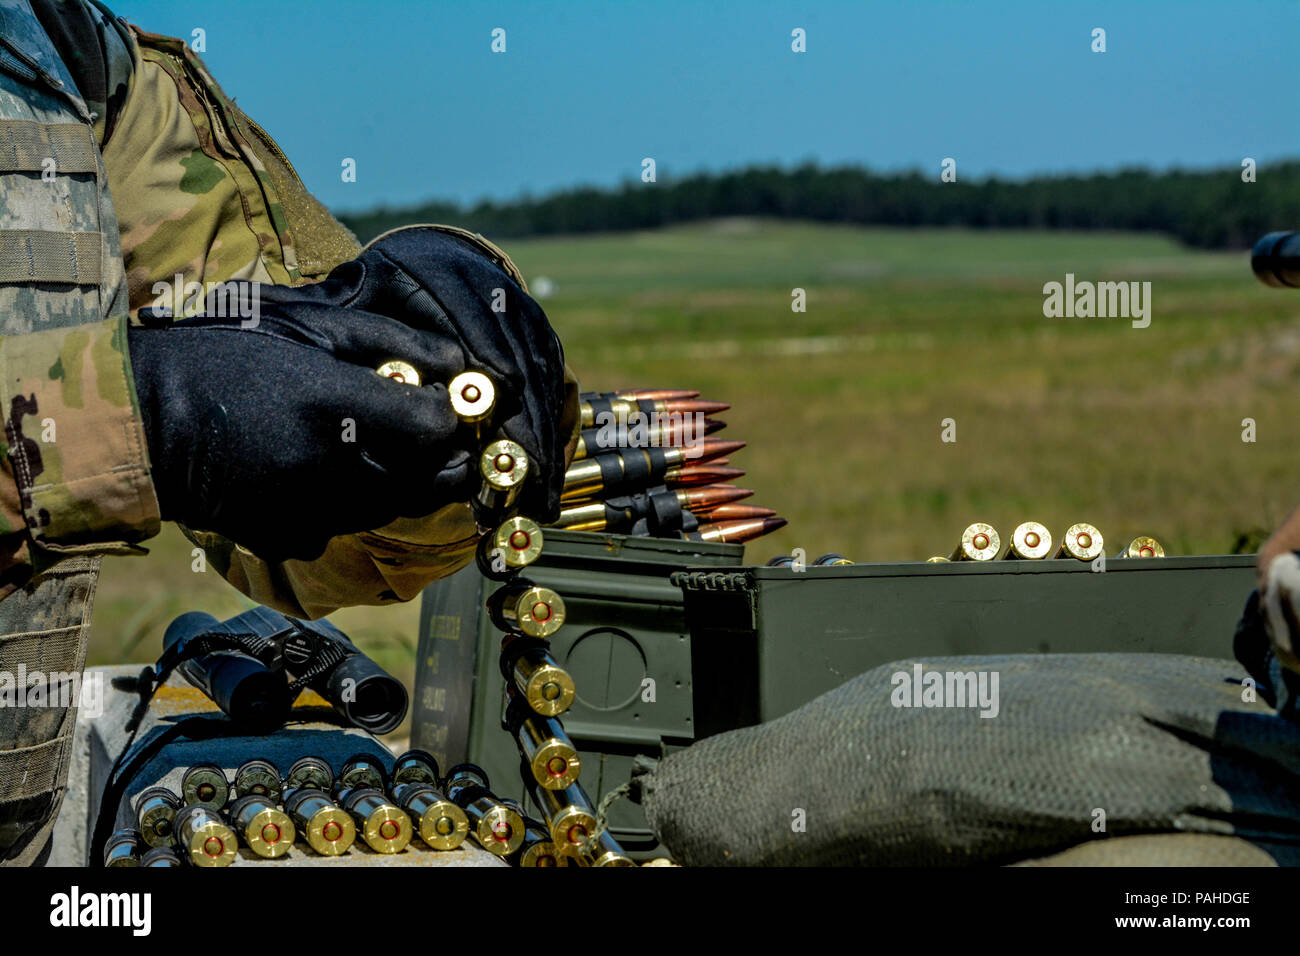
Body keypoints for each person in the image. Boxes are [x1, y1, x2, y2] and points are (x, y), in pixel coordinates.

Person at [0, 0, 578, 865]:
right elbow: (178, 413)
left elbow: (300, 504)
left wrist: (439, 456)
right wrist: (125, 424)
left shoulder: (68, 57)